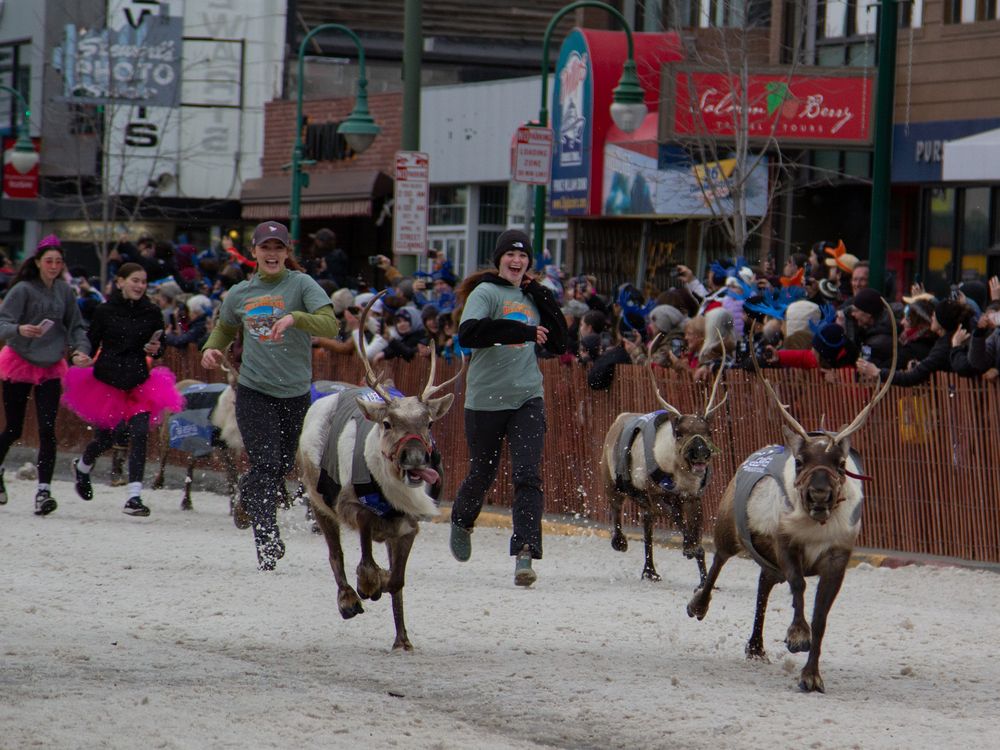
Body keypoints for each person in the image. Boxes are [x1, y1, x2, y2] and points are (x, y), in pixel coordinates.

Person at [200, 221, 339, 571]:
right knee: (265, 464)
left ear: (288, 252)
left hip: (295, 393)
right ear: (254, 252)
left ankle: (248, 491)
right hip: (254, 390)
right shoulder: (240, 293)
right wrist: (211, 349)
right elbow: (224, 328)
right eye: (266, 247)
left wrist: (295, 318)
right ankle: (266, 538)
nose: (272, 254)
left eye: (279, 247)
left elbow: (331, 324)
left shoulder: (302, 284)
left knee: (282, 466)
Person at [449, 229, 567, 586]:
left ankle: (525, 552)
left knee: (527, 474)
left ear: (529, 262)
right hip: (485, 400)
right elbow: (470, 334)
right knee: (482, 472)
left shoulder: (532, 296)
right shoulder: (486, 292)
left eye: (523, 256)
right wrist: (523, 332)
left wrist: (544, 298)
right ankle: (462, 520)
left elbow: (560, 344)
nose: (516, 261)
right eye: (510, 255)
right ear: (499, 259)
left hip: (526, 397)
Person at [62, 263, 184, 516]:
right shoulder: (104, 310)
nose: (140, 286)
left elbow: (160, 346)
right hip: (107, 381)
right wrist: (79, 355)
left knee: (139, 433)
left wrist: (156, 349)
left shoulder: (151, 311)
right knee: (107, 438)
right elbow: (90, 341)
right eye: (134, 280)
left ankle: (134, 497)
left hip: (139, 382)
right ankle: (83, 466)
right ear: (120, 282)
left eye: (143, 281)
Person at [0, 235, 92, 515]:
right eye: (49, 261)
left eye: (58, 262)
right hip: (19, 360)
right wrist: (19, 329)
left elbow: (76, 326)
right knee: (14, 427)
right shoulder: (23, 289)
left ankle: (44, 491)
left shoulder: (65, 291)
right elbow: (2, 321)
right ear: (38, 262)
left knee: (47, 429)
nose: (53, 266)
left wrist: (80, 350)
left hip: (51, 364)